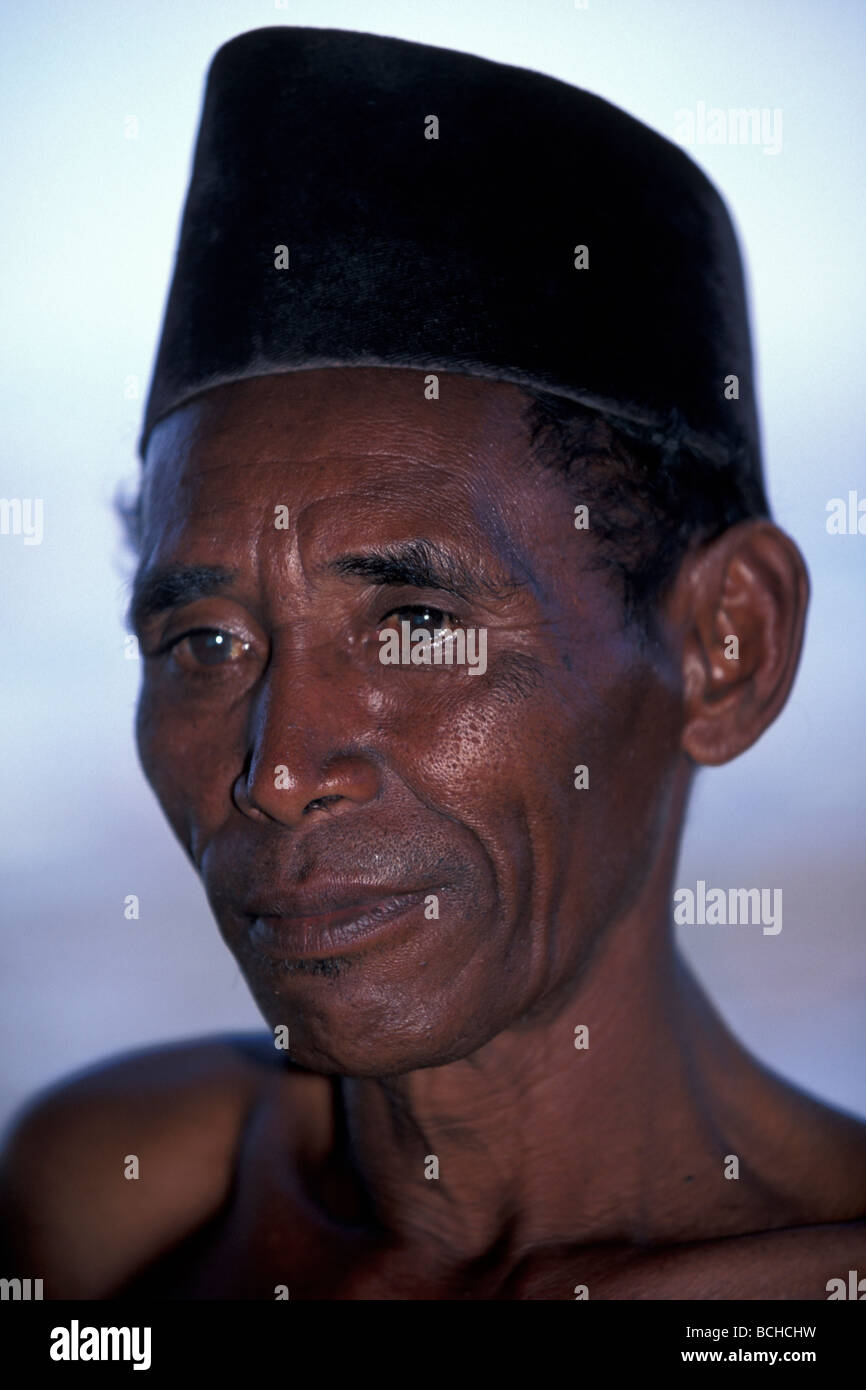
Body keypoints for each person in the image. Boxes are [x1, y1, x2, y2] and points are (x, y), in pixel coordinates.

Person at [1, 26, 863, 1301]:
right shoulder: (110, 1197)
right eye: (206, 643)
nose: (279, 770)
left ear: (722, 647)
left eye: (414, 625)